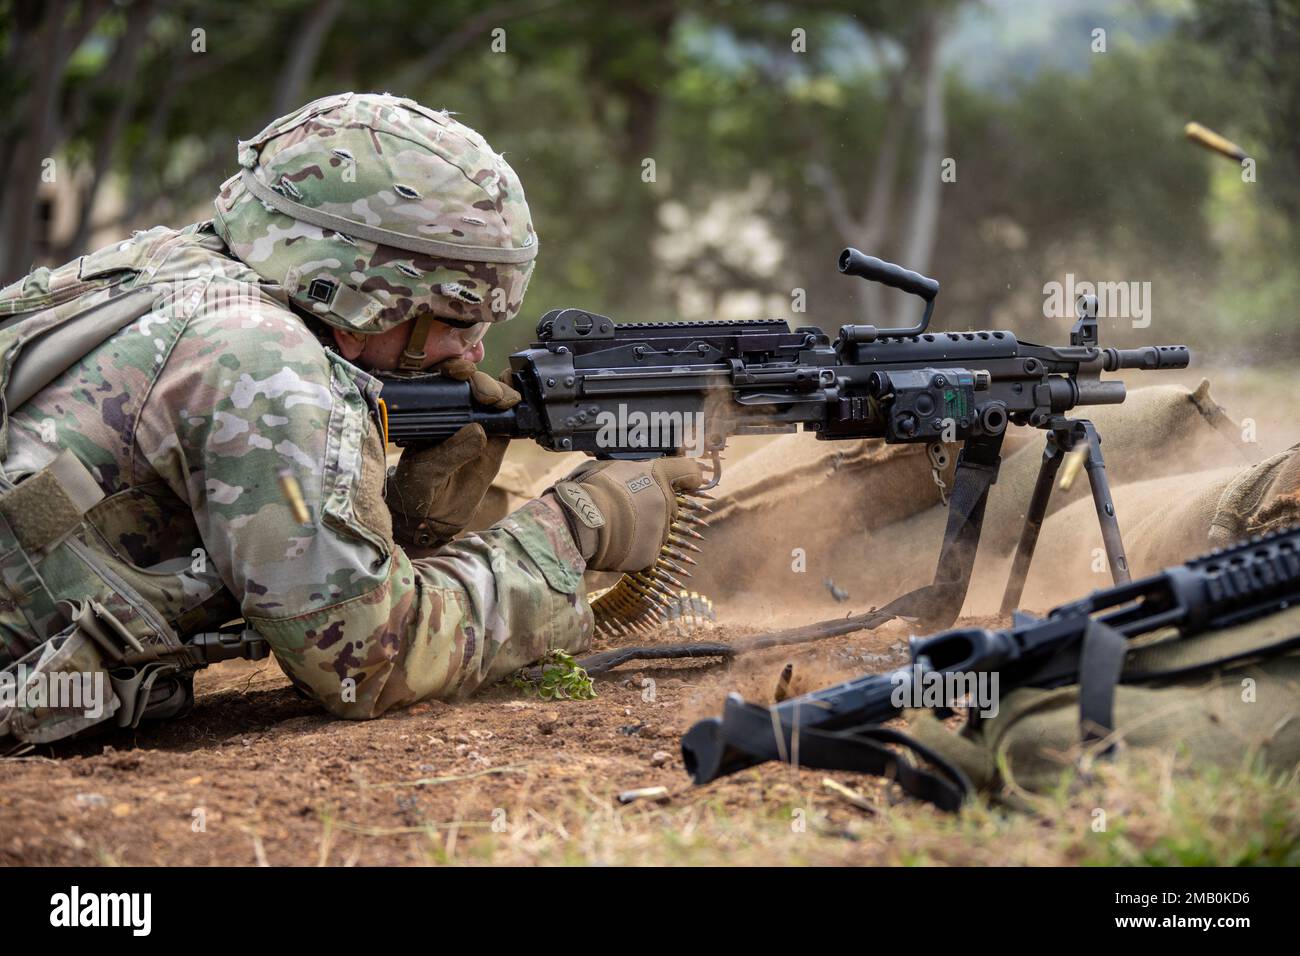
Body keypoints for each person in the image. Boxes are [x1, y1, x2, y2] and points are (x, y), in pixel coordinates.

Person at [0, 92, 700, 745]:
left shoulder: (176, 268)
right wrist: (580, 527)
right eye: (457, 317)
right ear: (363, 293)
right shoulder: (263, 358)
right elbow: (367, 662)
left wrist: (403, 519)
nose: (475, 349)